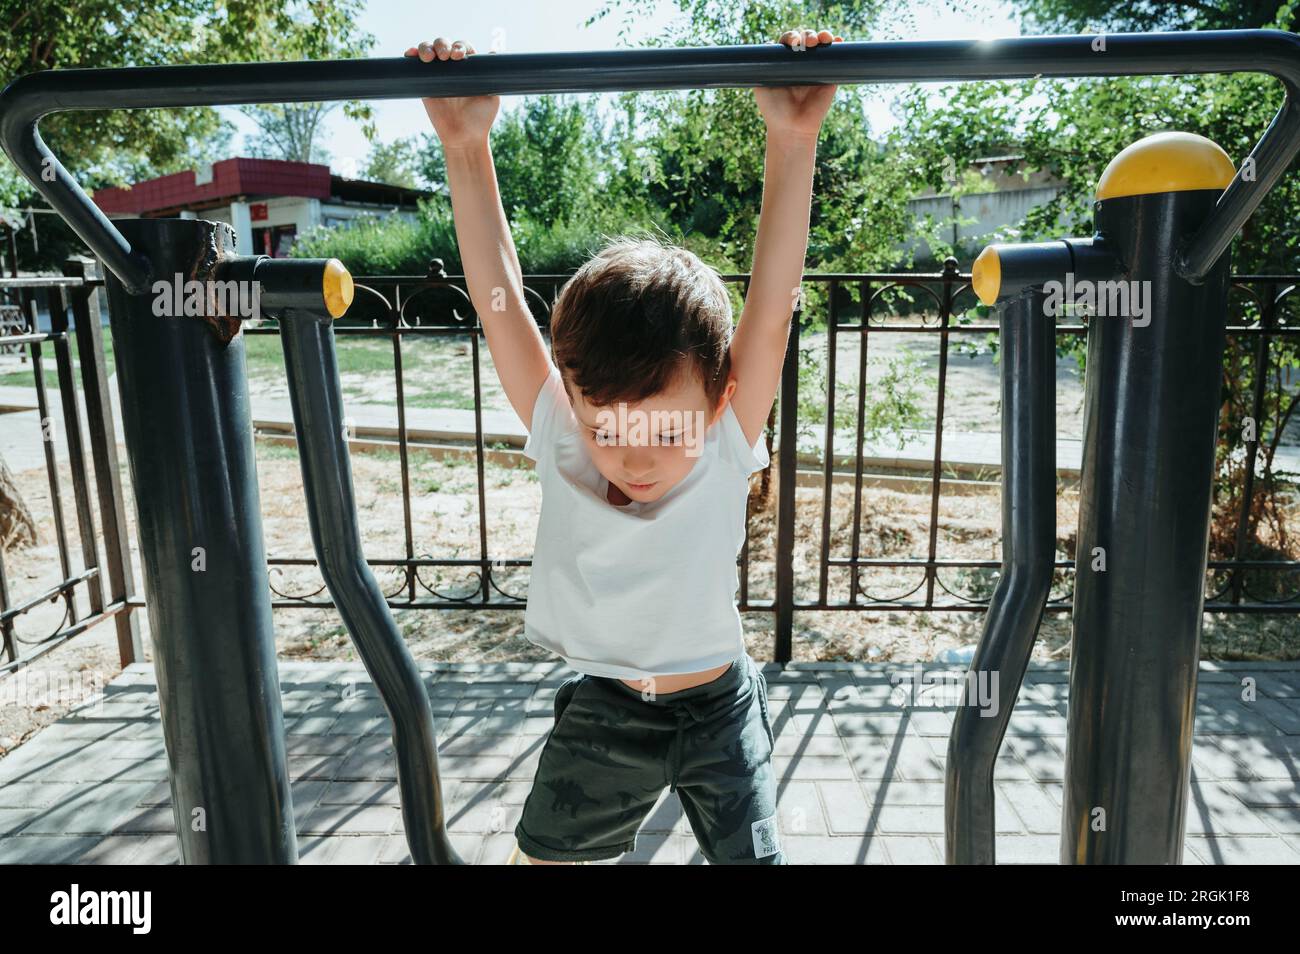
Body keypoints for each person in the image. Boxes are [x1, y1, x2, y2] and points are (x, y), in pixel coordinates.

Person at [404, 27, 841, 864]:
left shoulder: (723, 438)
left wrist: (792, 139)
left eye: (663, 428)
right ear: (575, 403)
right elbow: (500, 304)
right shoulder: (564, 437)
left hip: (717, 708)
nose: (633, 456)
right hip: (607, 710)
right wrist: (466, 149)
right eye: (605, 428)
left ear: (719, 401)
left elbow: (774, 305)